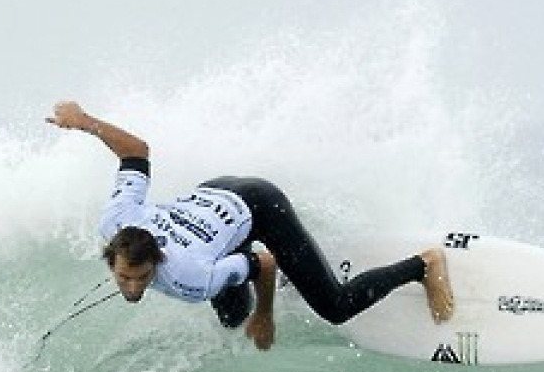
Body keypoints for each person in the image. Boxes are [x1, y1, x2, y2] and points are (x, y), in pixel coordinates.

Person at [46, 101, 454, 350]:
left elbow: (264, 264)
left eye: (140, 277)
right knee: (229, 318)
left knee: (335, 307)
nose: (132, 287)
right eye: (124, 277)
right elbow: (136, 152)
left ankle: (422, 266)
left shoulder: (193, 277)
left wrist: (266, 315)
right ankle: (284, 273)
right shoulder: (118, 220)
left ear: (159, 260)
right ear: (111, 258)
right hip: (214, 194)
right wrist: (83, 122)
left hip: (259, 205)